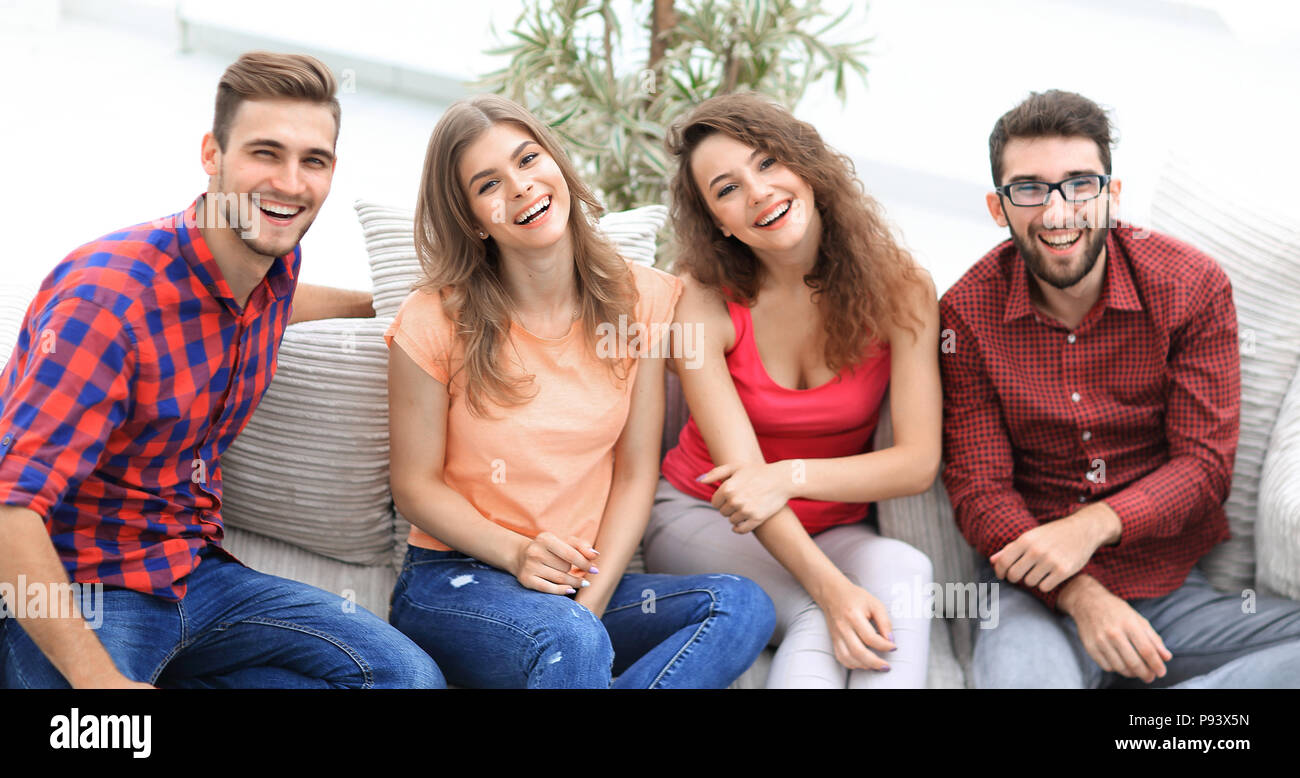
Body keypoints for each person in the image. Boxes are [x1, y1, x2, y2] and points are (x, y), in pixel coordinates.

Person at [0, 51, 443, 689]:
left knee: (405, 678)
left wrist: (389, 305)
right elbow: (11, 507)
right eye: (266, 153)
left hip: (194, 572)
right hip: (87, 584)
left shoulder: (270, 268)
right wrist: (100, 683)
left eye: (312, 160)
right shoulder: (107, 305)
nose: (290, 183)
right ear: (212, 154)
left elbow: (286, 300)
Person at [384, 94, 775, 689]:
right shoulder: (433, 319)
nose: (519, 187)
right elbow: (414, 486)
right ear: (470, 219)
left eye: (528, 159)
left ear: (558, 166)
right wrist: (515, 554)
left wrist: (588, 601)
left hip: (576, 586)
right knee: (571, 638)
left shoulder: (641, 300)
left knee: (740, 605)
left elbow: (636, 469)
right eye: (488, 184)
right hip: (455, 581)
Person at [941, 88, 1300, 688]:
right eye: (1029, 189)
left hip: (1170, 589)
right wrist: (1082, 595)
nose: (1058, 213)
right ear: (998, 208)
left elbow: (1204, 467)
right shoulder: (966, 313)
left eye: (1080, 184)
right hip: (1034, 593)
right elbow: (980, 491)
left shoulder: (1191, 286)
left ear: (1113, 195)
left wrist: (1091, 527)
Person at [644, 92, 942, 688]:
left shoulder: (903, 288)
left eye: (767, 163)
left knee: (907, 573)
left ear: (806, 165)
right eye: (726, 189)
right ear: (717, 222)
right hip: (707, 518)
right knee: (818, 609)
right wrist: (832, 589)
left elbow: (916, 463)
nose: (757, 193)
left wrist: (790, 476)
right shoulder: (700, 297)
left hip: (834, 526)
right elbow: (742, 480)